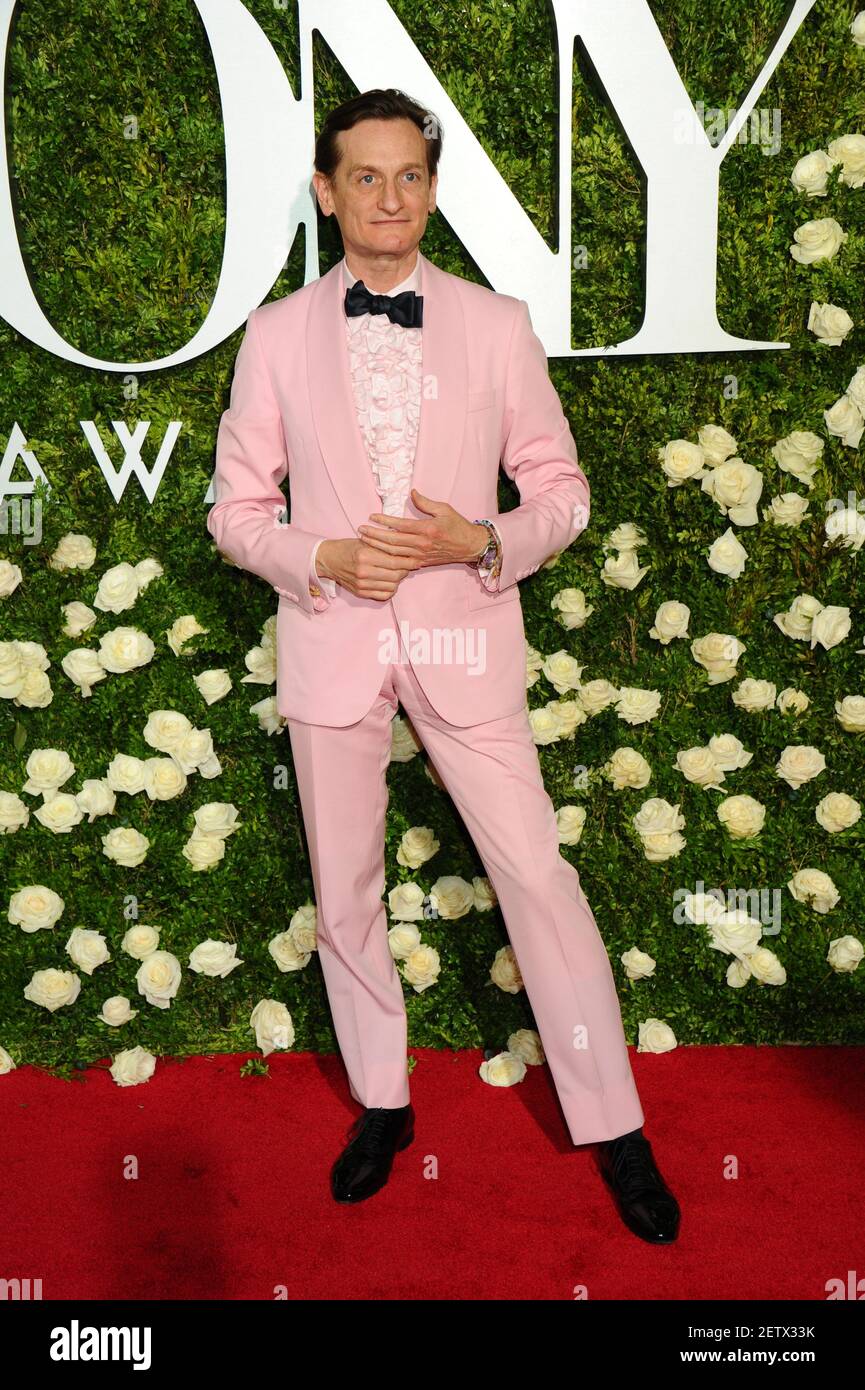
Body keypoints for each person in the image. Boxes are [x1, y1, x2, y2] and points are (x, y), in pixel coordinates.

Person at [207, 88, 680, 1244]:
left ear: (431, 188)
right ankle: (381, 1101)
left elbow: (560, 493)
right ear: (327, 193)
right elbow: (234, 511)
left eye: (408, 175)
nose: (388, 197)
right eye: (363, 177)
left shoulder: (495, 323)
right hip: (330, 644)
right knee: (347, 892)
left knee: (538, 881)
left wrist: (481, 540)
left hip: (467, 641)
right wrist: (318, 554)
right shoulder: (271, 338)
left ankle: (613, 1123)